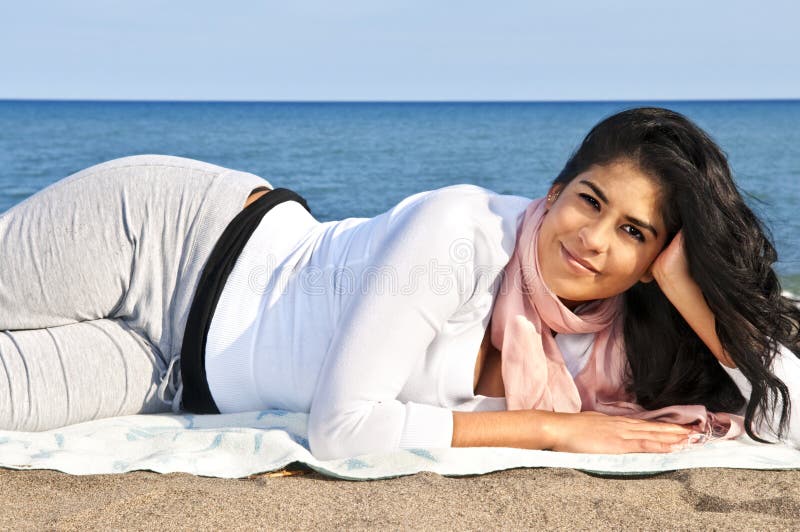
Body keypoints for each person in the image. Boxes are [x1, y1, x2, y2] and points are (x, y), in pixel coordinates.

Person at [0, 107, 798, 461]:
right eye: (590, 201)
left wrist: (699, 299)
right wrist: (557, 432)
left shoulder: (609, 354)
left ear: (659, 261)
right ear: (553, 193)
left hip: (169, 376)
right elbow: (344, 429)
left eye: (634, 233)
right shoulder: (459, 233)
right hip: (167, 238)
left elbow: (789, 420)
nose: (592, 240)